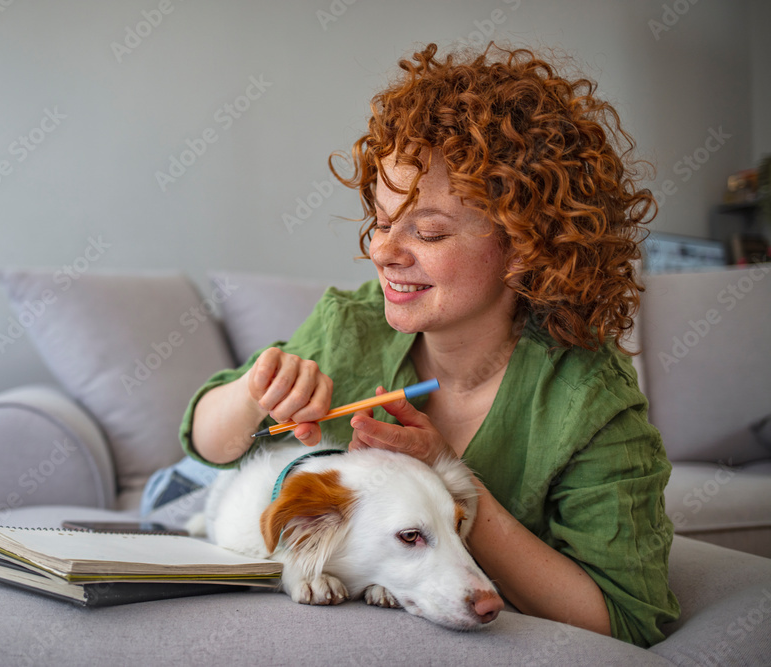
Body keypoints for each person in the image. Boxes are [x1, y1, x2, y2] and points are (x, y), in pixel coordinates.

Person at [166, 42, 680, 647]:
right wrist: (257, 392)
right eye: (381, 222)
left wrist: (449, 476)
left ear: (524, 248)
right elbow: (208, 445)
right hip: (222, 488)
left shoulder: (590, 403)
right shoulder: (350, 326)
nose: (382, 251)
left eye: (428, 231)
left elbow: (621, 619)